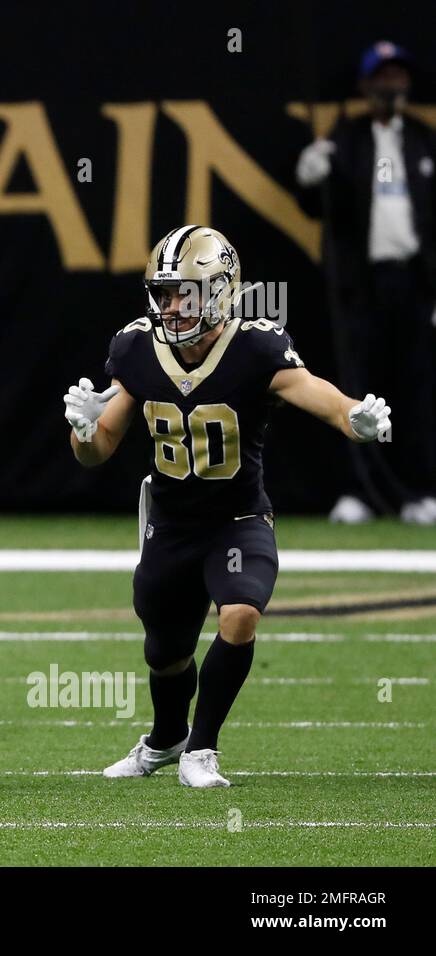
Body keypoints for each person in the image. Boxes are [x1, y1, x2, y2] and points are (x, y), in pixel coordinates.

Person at [62, 226, 392, 787]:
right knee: (165, 653)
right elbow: (97, 452)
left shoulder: (257, 346)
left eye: (185, 292)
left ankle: (202, 748)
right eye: (164, 293)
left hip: (237, 518)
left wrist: (354, 417)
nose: (172, 306)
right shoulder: (136, 347)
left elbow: (320, 395)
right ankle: (167, 739)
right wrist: (83, 430)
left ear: (221, 289)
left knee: (240, 614)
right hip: (169, 524)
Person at [295, 40, 436, 525]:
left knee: (417, 389)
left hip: (415, 285)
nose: (391, 84)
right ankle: (360, 489)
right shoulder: (348, 138)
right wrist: (312, 175)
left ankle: (418, 490)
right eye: (382, 76)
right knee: (358, 386)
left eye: (398, 75)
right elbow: (319, 209)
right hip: (362, 286)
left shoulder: (423, 141)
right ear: (365, 85)